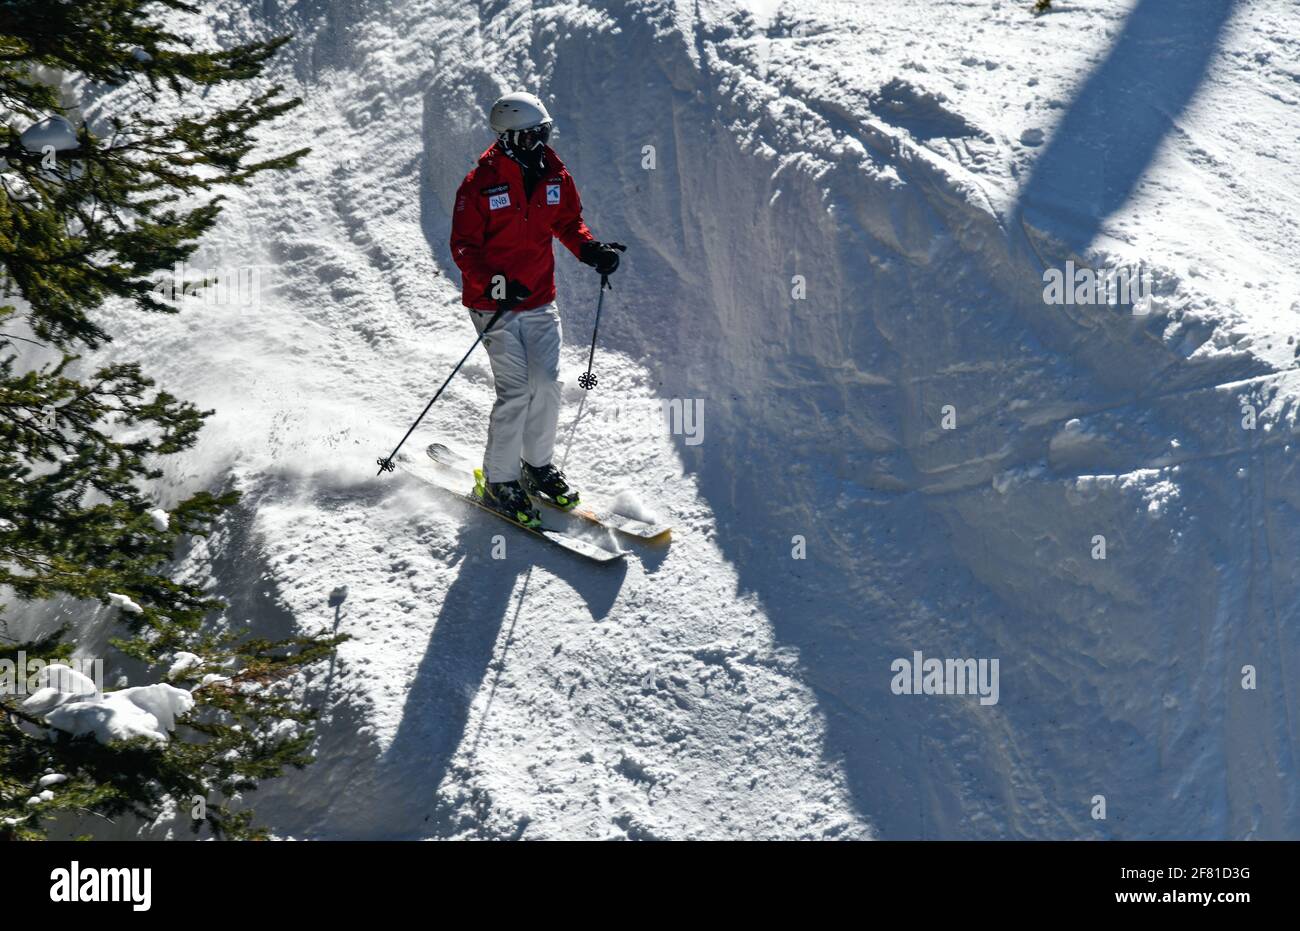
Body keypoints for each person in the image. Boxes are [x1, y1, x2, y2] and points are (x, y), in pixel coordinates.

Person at [450, 91, 625, 527]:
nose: (540, 144)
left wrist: (590, 250)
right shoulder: (480, 184)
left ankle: (536, 465)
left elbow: (566, 222)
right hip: (494, 305)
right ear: (508, 139)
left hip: (539, 298)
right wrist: (495, 283)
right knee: (516, 393)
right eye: (532, 137)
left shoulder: (553, 173)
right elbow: (464, 248)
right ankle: (498, 481)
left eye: (543, 134)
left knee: (546, 385)